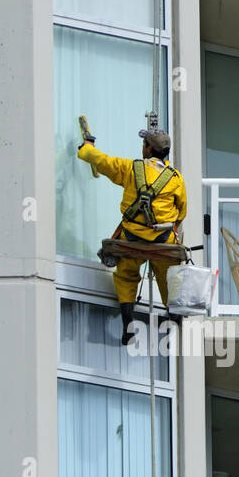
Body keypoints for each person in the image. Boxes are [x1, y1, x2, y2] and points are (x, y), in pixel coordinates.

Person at [78, 127, 187, 342]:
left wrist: (87, 148)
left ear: (148, 148)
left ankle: (128, 324)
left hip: (132, 240)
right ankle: (173, 315)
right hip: (163, 242)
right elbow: (181, 212)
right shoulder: (175, 179)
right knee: (169, 278)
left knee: (126, 277)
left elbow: (102, 161)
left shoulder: (130, 168)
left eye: (144, 144)